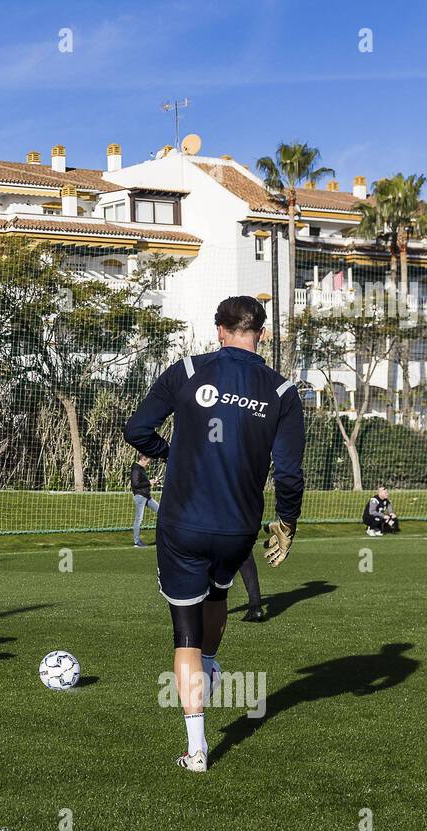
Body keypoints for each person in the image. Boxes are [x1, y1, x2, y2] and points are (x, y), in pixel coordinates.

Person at [124, 295, 305, 773]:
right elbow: (288, 475)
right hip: (238, 528)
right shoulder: (284, 392)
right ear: (261, 334)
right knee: (219, 594)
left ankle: (197, 748)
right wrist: (286, 524)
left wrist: (171, 451)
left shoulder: (185, 371)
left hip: (183, 523)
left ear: (219, 329)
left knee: (184, 629)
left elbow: (136, 429)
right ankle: (209, 665)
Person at [130, 453, 159, 547]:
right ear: (143, 458)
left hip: (147, 496)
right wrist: (149, 482)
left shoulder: (141, 469)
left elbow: (143, 483)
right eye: (148, 462)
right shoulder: (135, 468)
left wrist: (152, 482)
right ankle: (136, 541)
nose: (148, 464)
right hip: (140, 497)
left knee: (161, 512)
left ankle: (160, 538)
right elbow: (135, 484)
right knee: (139, 519)